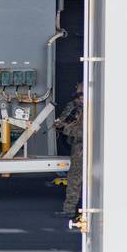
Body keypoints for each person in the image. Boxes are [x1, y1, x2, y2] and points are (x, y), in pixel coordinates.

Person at [55, 83, 83, 218]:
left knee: (75, 179)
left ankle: (69, 210)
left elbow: (82, 133)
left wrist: (65, 127)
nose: (79, 99)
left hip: (82, 148)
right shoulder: (78, 108)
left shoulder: (87, 111)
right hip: (80, 147)